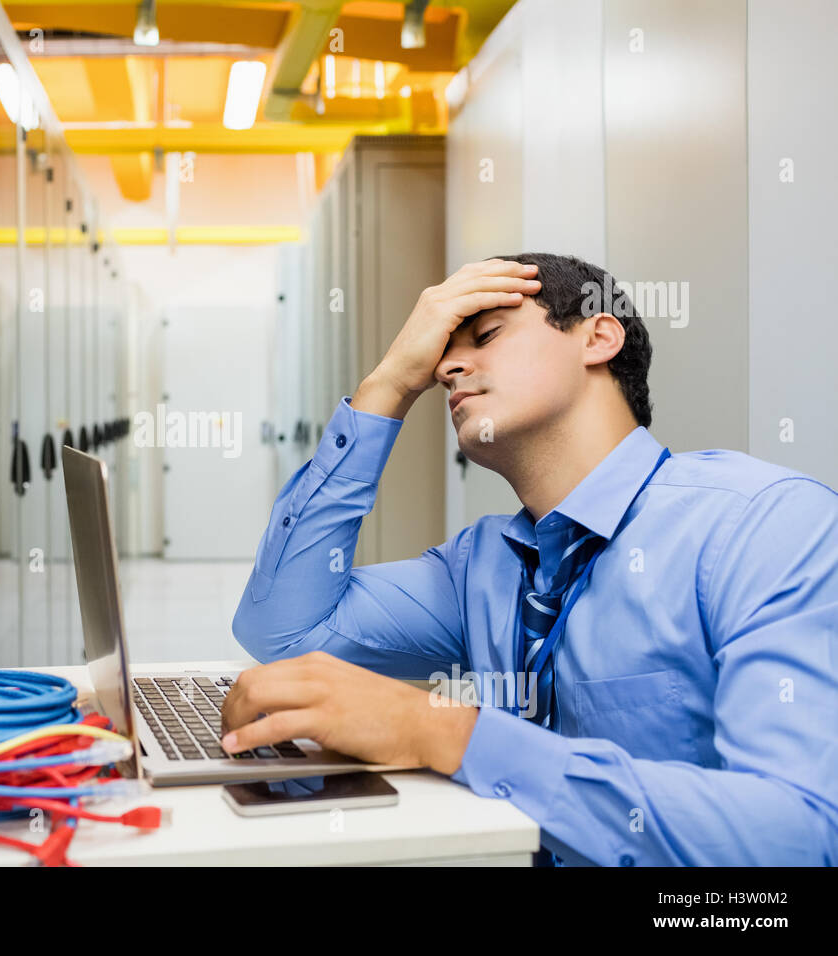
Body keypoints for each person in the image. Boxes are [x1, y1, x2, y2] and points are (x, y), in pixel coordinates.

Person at [224, 253, 838, 866]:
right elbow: (282, 628)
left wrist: (443, 732)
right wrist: (387, 385)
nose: (448, 368)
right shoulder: (479, 567)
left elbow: (800, 837)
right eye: (439, 360)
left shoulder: (765, 525)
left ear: (598, 336)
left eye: (486, 336)